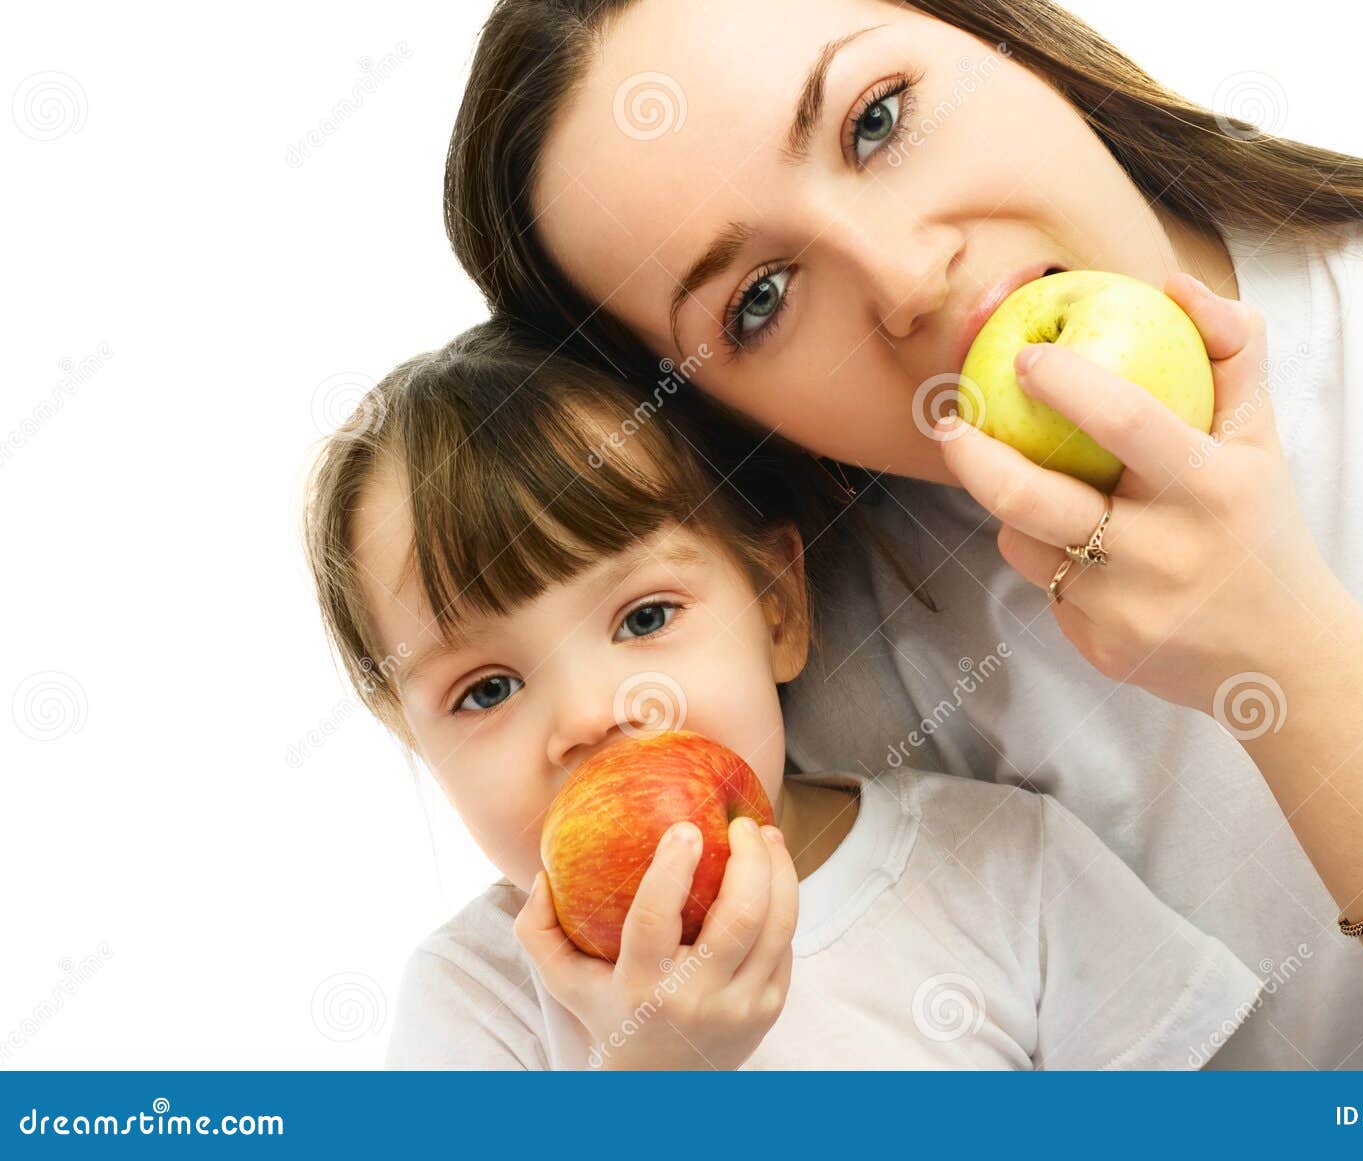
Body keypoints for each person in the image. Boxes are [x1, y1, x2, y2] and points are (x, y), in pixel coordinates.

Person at [436, 0, 1363, 1066]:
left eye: (876, 120)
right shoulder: (792, 682)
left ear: (997, 34)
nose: (905, 274)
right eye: (760, 300)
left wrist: (1286, 661)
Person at [301, 319, 1266, 1069]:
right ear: (416, 744)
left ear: (776, 608)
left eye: (643, 618)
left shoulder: (1005, 867)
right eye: (487, 688)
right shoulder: (480, 1004)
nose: (591, 715)